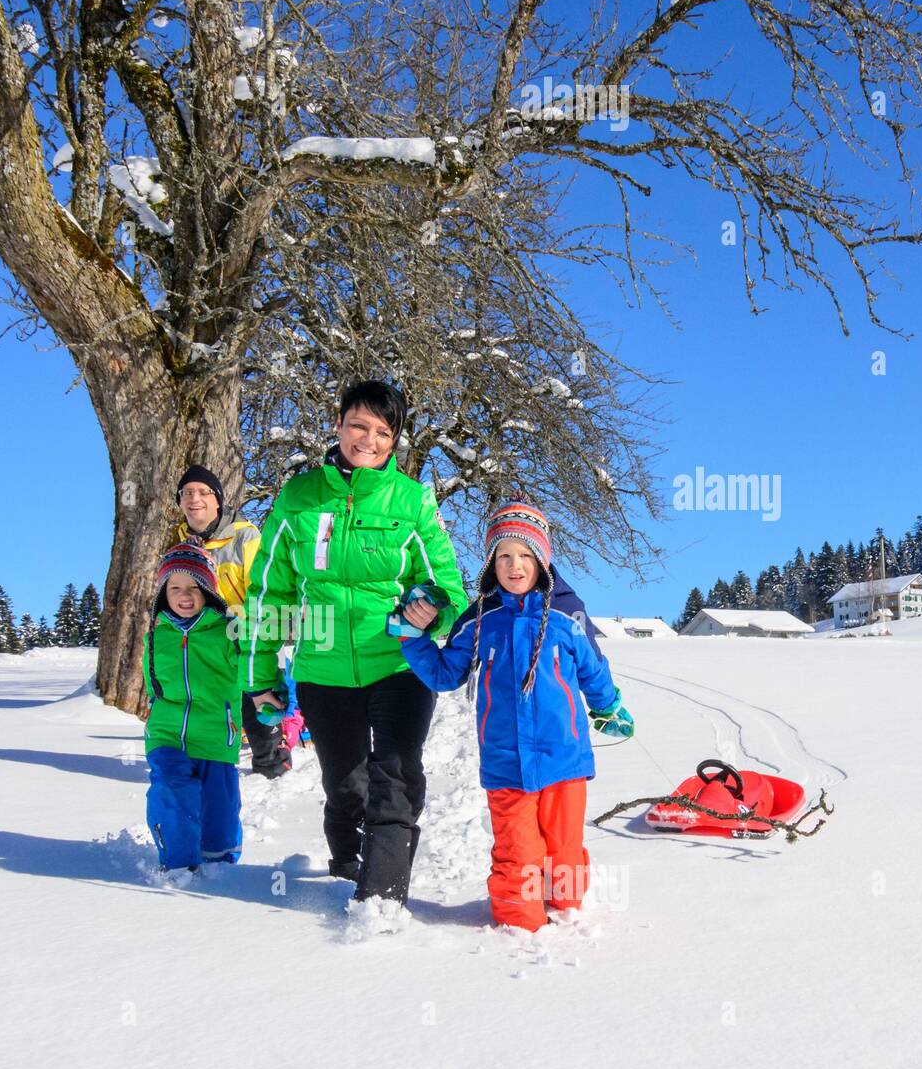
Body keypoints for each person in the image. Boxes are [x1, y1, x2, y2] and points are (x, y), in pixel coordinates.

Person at [240, 380, 467, 904]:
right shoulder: (299, 497)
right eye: (359, 425)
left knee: (396, 776)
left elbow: (449, 588)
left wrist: (432, 608)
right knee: (346, 786)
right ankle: (346, 859)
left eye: (383, 432)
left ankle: (381, 901)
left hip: (398, 666)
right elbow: (267, 592)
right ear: (338, 424)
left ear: (395, 442)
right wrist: (261, 678)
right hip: (323, 671)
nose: (369, 439)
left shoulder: (411, 502)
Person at [397, 500, 635, 930]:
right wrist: (415, 638)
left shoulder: (566, 616)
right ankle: (517, 925)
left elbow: (592, 669)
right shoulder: (479, 621)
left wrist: (608, 705)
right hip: (506, 760)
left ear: (542, 561)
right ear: (491, 563)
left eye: (525, 555)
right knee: (517, 851)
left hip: (565, 757)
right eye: (504, 555)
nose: (515, 565)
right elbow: (445, 674)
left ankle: (567, 913)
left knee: (564, 846)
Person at [170, 464, 292, 780]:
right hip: (200, 642)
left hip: (243, 634)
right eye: (187, 493)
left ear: (218, 500)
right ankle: (207, 764)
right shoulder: (181, 546)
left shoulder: (245, 537)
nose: (194, 499)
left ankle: (271, 762)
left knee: (254, 702)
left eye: (202, 492)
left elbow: (265, 588)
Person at [141, 543, 244, 874]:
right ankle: (178, 864)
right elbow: (152, 679)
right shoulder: (157, 635)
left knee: (219, 813)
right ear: (164, 593)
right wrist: (155, 710)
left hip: (216, 732)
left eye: (193, 587)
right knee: (170, 789)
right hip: (167, 732)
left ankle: (219, 869)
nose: (184, 595)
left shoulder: (230, 630)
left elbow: (253, 672)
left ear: (208, 591)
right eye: (174, 588)